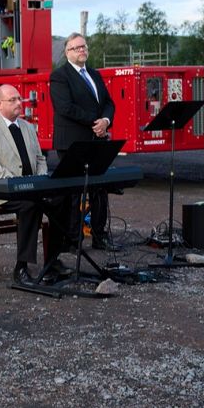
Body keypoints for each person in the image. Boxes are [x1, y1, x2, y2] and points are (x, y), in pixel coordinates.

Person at [0, 84, 70, 285]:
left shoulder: (27, 126)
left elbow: (40, 158)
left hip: (31, 187)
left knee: (62, 197)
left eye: (20, 99)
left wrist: (41, 181)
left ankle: (52, 260)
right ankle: (21, 268)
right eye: (13, 100)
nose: (20, 103)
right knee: (30, 205)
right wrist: (20, 183)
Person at [50, 32, 119, 251]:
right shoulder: (60, 76)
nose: (82, 50)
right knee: (73, 192)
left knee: (99, 189)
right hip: (72, 141)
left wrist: (106, 120)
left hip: (96, 139)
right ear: (67, 52)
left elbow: (108, 102)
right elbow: (65, 107)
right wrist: (95, 122)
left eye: (84, 46)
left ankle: (100, 235)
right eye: (77, 47)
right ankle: (72, 239)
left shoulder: (94, 74)